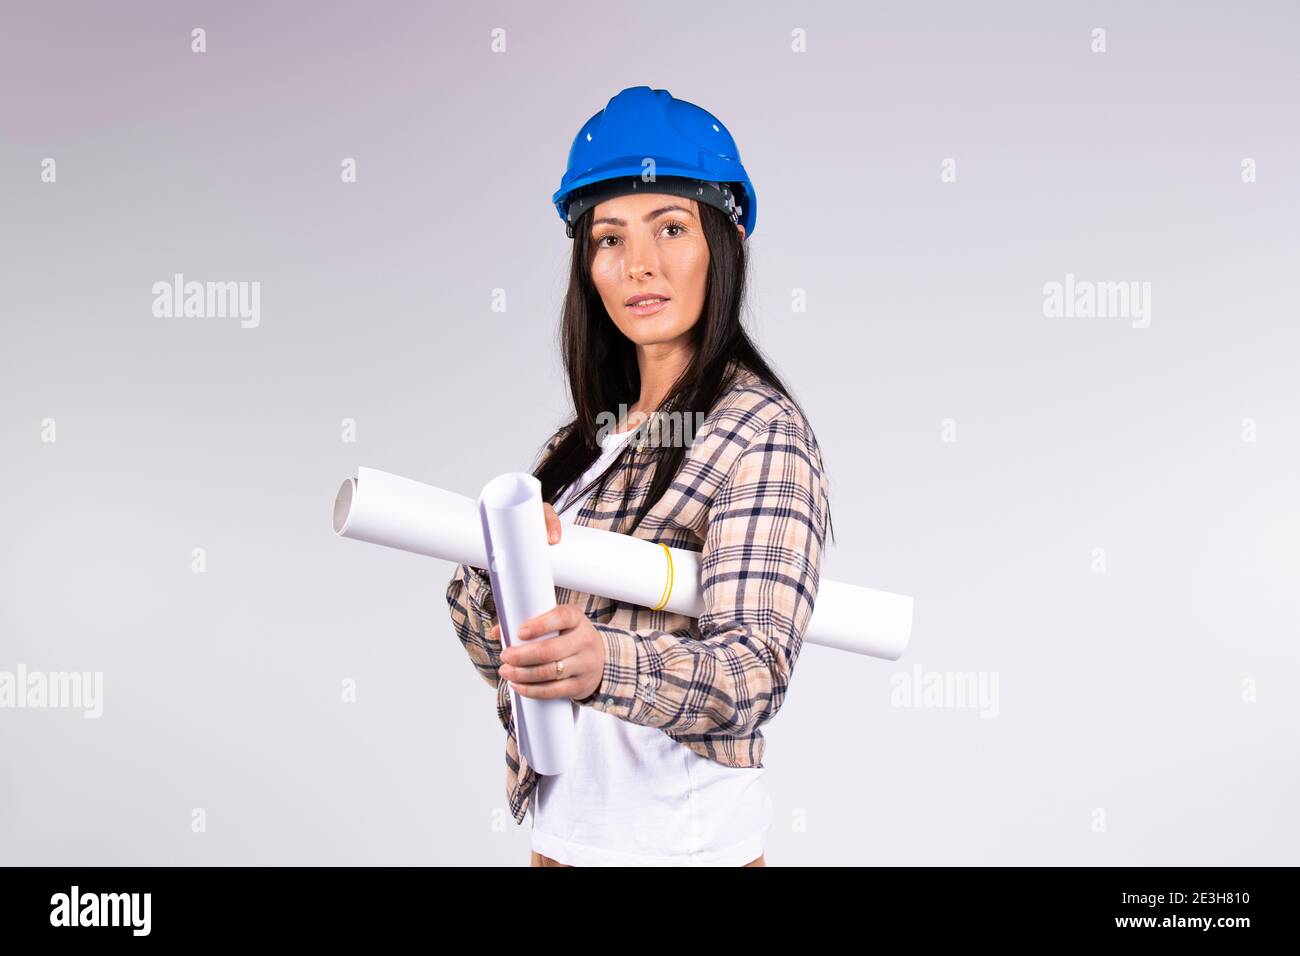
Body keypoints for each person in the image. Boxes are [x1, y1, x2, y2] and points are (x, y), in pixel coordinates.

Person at [445, 86, 833, 866]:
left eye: (671, 228)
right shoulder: (580, 445)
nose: (640, 265)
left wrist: (602, 664)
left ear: (725, 243)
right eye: (609, 239)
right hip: (559, 845)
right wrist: (504, 569)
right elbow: (505, 662)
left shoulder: (760, 433)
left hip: (686, 854)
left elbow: (751, 676)